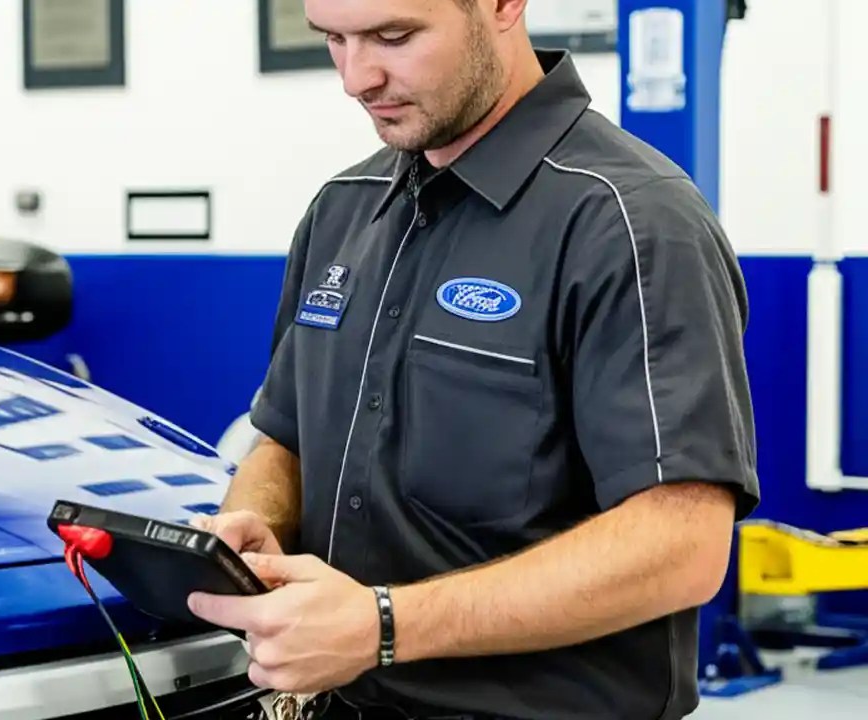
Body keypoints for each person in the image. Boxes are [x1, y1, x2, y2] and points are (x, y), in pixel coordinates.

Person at [186, 0, 760, 718]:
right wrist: (257, 526)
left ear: (502, 6)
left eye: (393, 36)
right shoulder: (342, 209)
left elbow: (681, 545)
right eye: (334, 39)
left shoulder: (631, 222)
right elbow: (287, 436)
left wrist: (385, 627)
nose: (356, 77)